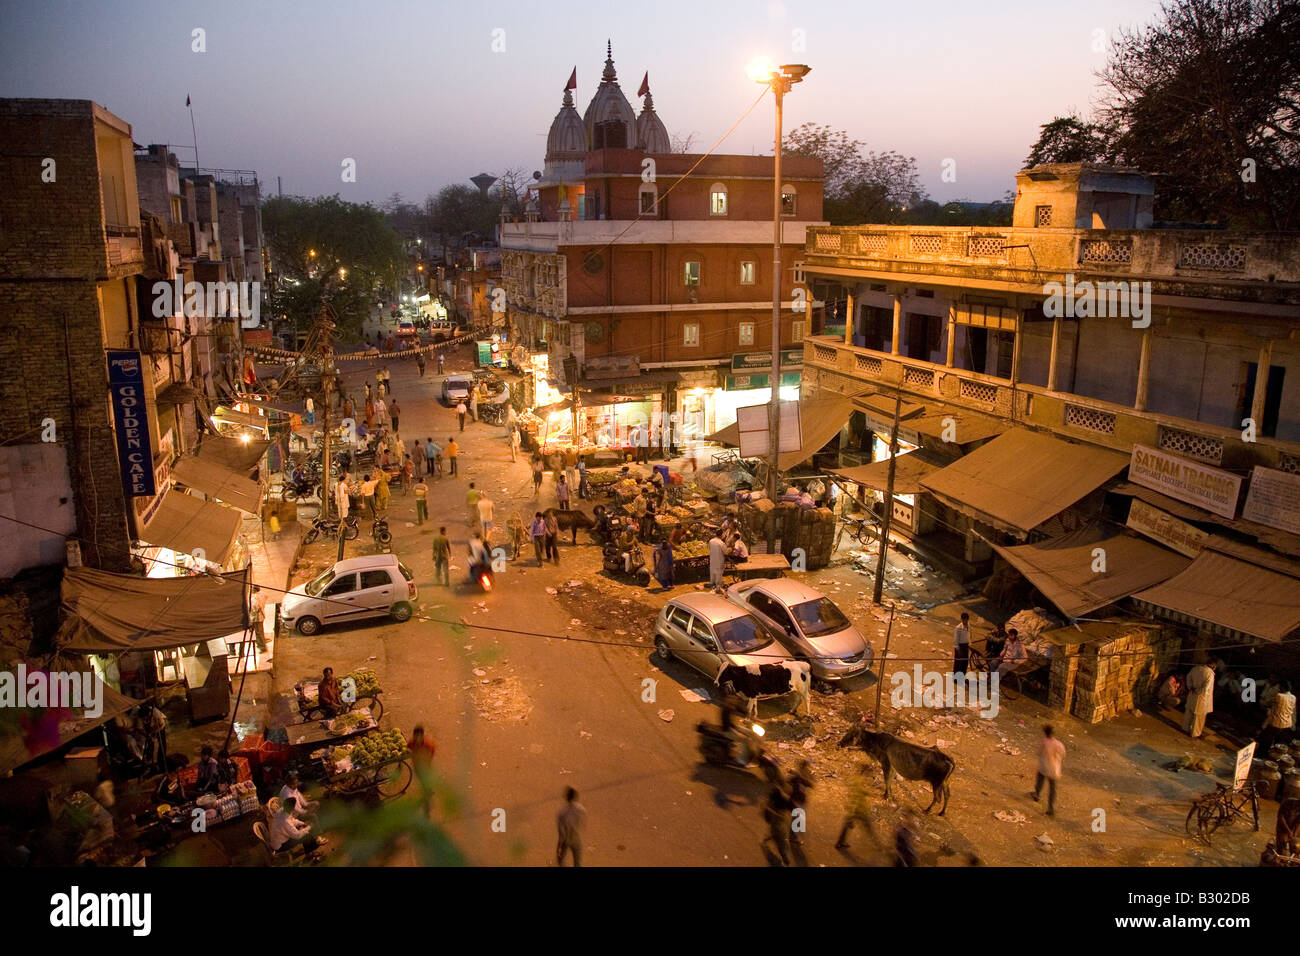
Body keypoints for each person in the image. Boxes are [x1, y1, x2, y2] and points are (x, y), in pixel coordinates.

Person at [1032, 724, 1065, 817]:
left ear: (1045, 733)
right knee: (1052, 789)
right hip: (1054, 768)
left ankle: (1037, 795)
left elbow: (1038, 753)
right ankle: (1051, 808)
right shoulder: (1059, 744)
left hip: (1044, 766)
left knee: (1040, 781)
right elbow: (1063, 754)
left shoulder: (1043, 742)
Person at [1258, 680, 1295, 752]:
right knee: (1275, 739)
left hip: (1277, 722)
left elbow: (1267, 702)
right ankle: (1270, 752)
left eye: (1280, 687)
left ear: (1282, 688)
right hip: (1287, 723)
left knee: (1266, 739)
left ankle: (1262, 753)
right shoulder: (1293, 697)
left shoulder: (1279, 696)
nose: (1279, 688)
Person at [1183, 659, 1216, 738]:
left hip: (1192, 693)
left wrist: (1190, 687)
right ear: (1212, 666)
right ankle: (1195, 733)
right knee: (1199, 716)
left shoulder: (1195, 669)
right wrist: (1199, 691)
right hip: (1202, 697)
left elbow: (1188, 677)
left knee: (1189, 712)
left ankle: (1185, 728)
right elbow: (1207, 687)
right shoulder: (1210, 674)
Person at [556, 787, 586, 867]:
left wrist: (558, 847)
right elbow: (583, 824)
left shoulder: (562, 814)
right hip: (577, 838)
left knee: (560, 859)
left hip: (566, 840)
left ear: (567, 798)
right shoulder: (581, 809)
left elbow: (562, 834)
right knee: (577, 862)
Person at [789, 760, 813, 848]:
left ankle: (794, 836)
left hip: (800, 801)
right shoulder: (797, 778)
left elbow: (810, 785)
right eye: (806, 768)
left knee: (798, 820)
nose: (808, 769)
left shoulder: (801, 777)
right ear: (802, 768)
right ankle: (793, 837)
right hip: (797, 801)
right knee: (797, 820)